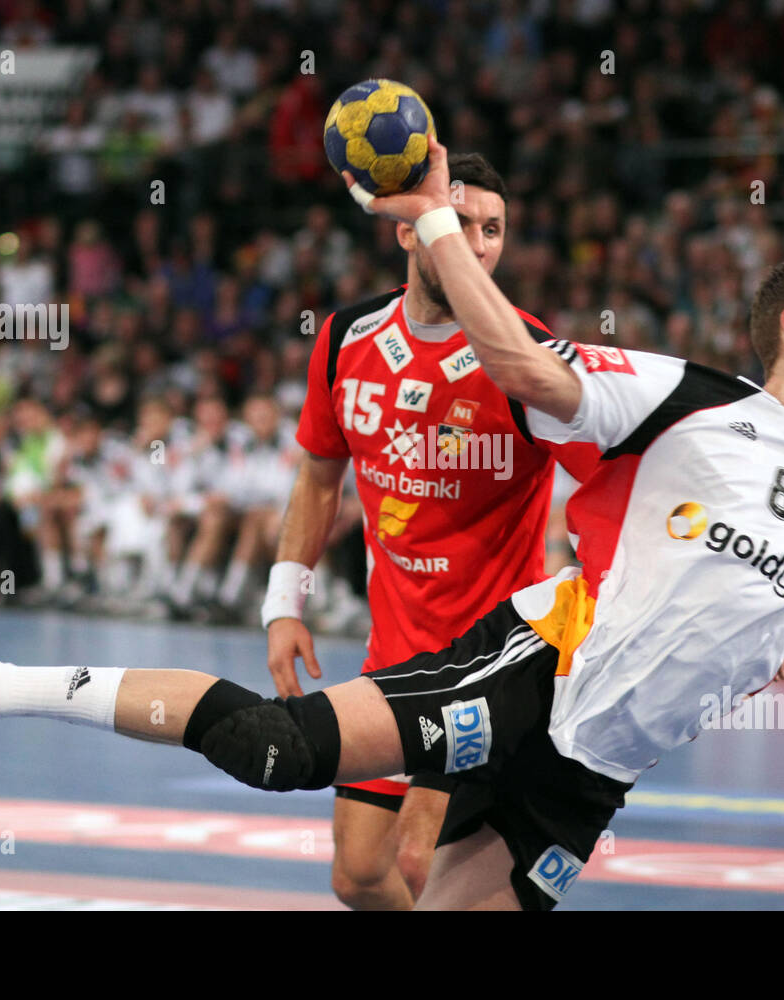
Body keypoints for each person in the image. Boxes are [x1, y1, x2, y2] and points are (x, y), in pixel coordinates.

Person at [0, 140, 784, 911]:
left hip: (593, 772)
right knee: (278, 750)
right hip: (530, 668)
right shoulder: (688, 400)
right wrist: (438, 219)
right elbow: (512, 360)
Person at [264, 153, 594, 910]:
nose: (477, 245)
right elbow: (319, 476)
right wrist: (285, 604)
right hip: (391, 655)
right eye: (461, 223)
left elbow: (610, 474)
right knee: (356, 877)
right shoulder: (348, 336)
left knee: (419, 863)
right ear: (411, 231)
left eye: (494, 230)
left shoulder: (528, 357)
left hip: (489, 665)